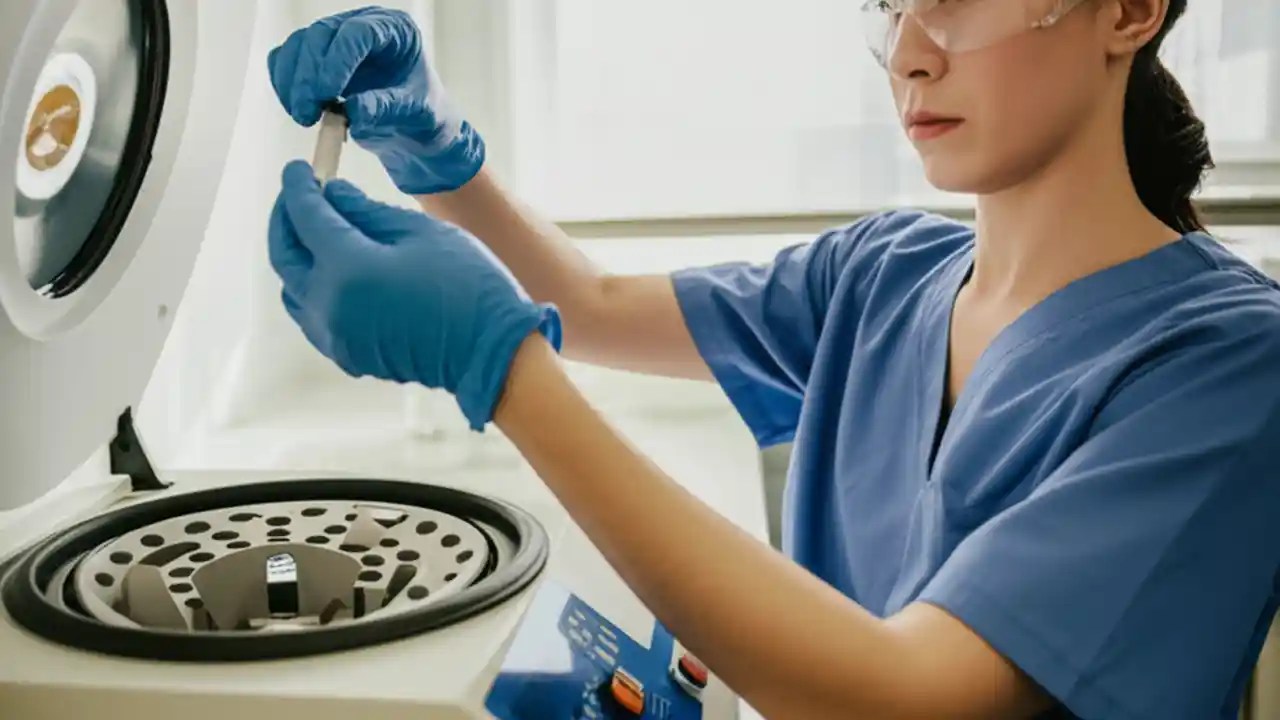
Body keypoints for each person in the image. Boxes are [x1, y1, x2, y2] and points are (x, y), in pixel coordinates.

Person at [265, 1, 1280, 717]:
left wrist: (503, 372)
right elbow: (589, 303)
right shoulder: (883, 274)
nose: (909, 54)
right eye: (892, 4)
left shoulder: (1225, 363)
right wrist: (438, 152)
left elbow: (908, 699)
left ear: (1127, 11)